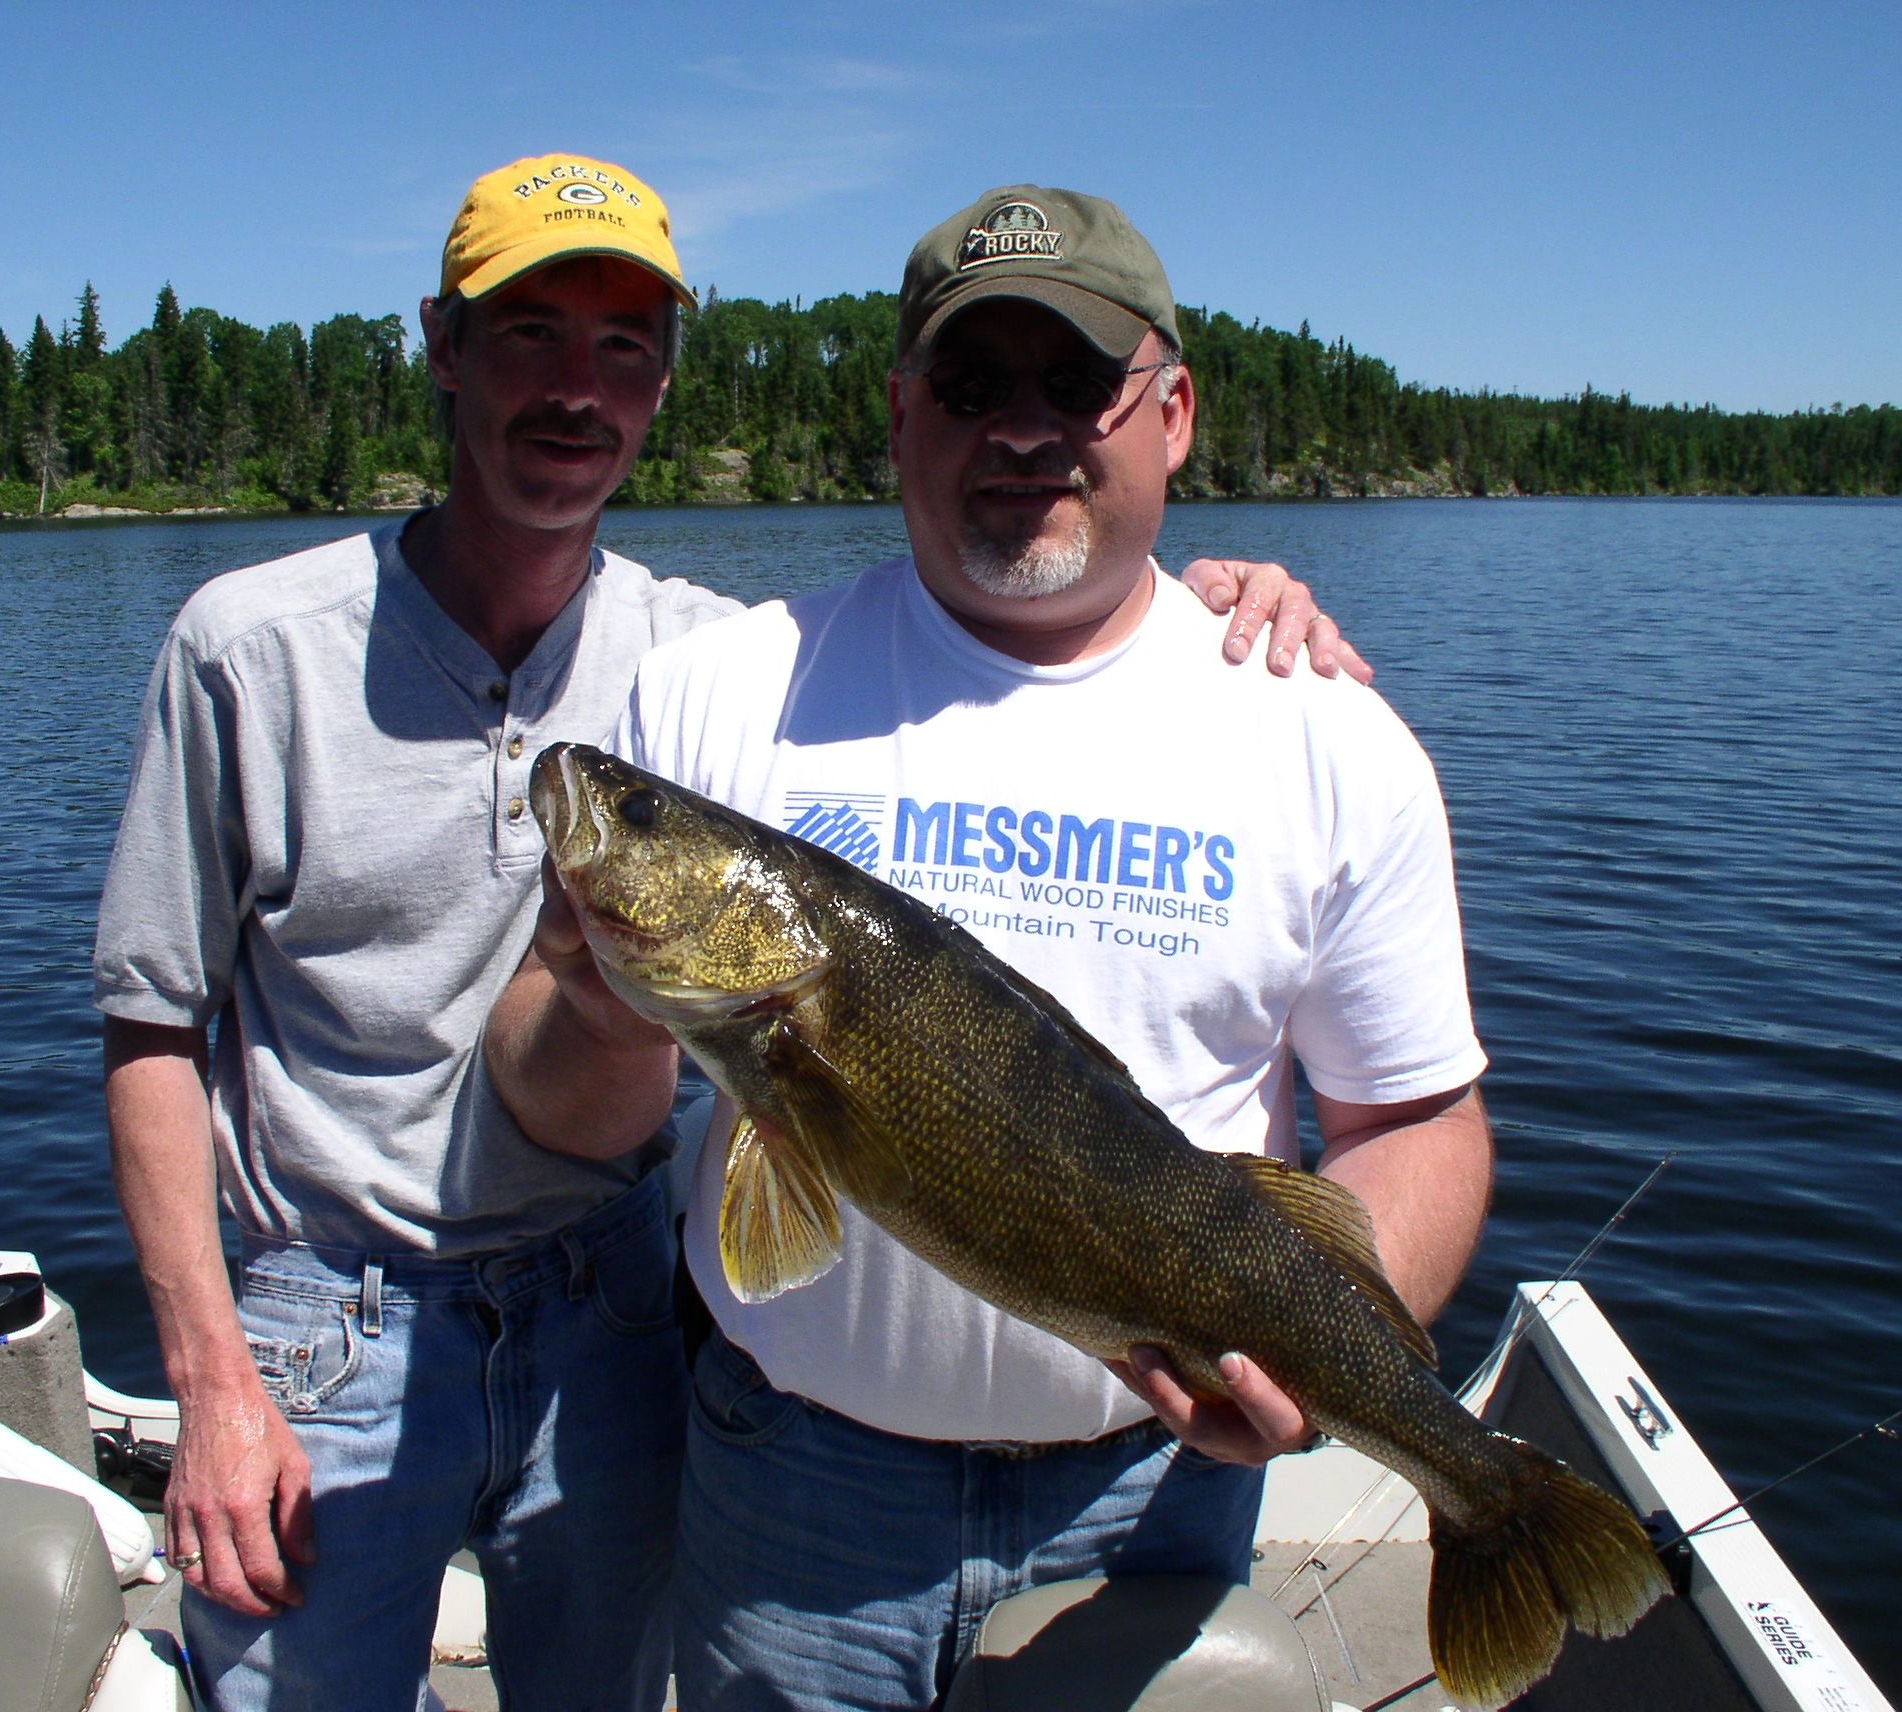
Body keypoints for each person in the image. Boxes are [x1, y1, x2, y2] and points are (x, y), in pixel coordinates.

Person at [95, 155, 1363, 1712]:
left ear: (666, 376)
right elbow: (154, 1029)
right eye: (531, 332)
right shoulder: (249, 647)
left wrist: (1227, 598)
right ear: (440, 342)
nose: (579, 386)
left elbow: (1012, 634)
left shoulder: (702, 659)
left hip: (617, 1311)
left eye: (625, 343)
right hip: (332, 1322)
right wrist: (214, 1377)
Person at [488, 182, 1492, 1712]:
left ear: (1173, 414)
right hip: (791, 1495)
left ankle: (1485, 1493)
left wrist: (1316, 1378)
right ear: (900, 419)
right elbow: (554, 1107)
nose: (1023, 428)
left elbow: (1413, 1122)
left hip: (1152, 1497)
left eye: (1077, 380)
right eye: (970, 385)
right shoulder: (717, 695)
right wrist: (620, 1004)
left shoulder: (1324, 734)